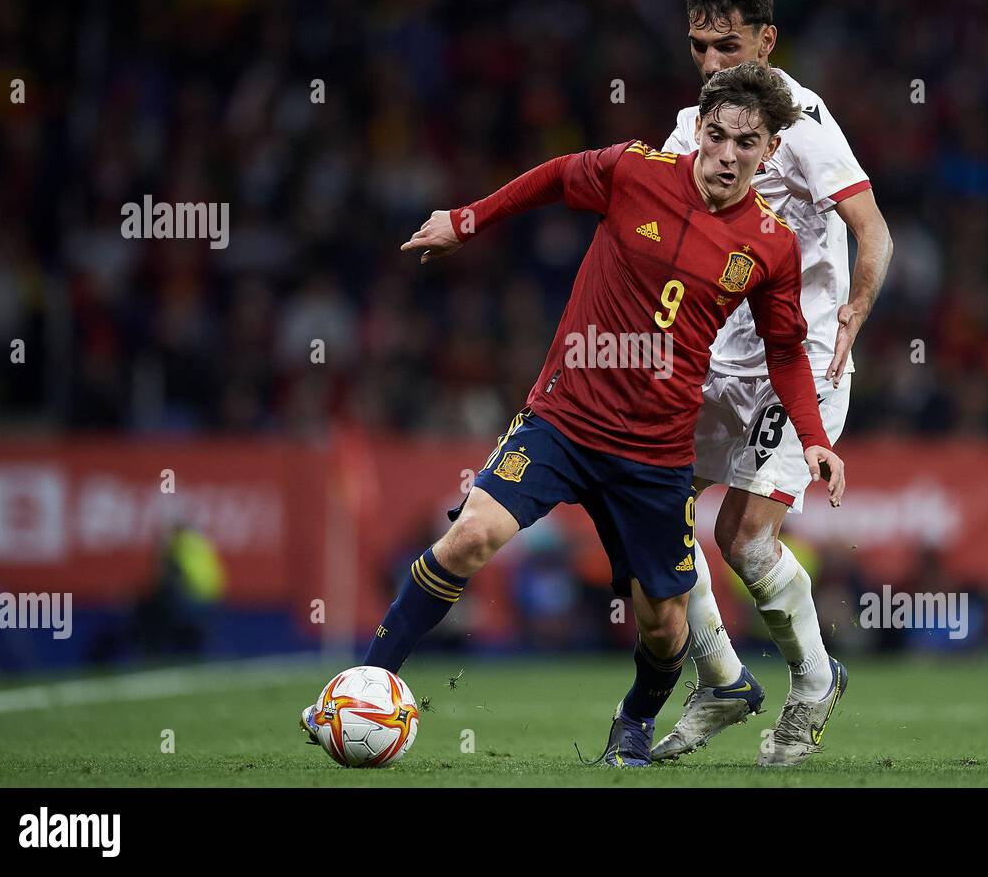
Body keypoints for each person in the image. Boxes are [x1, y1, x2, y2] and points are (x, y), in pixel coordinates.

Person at [300, 62, 846, 766]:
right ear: (700, 131)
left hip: (654, 454)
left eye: (749, 143)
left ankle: (634, 723)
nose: (729, 154)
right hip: (564, 421)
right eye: (718, 135)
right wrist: (467, 221)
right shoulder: (636, 171)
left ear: (769, 152)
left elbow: (786, 352)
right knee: (470, 537)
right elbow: (556, 176)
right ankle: (364, 685)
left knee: (664, 625)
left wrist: (814, 438)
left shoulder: (770, 245)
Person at [652, 0, 894, 767]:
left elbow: (874, 230)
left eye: (729, 45)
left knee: (744, 542)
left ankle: (814, 681)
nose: (714, 64)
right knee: (648, 513)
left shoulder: (807, 122)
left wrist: (855, 311)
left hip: (794, 363)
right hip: (710, 362)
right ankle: (722, 677)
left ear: (766, 40)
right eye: (698, 48)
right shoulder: (692, 129)